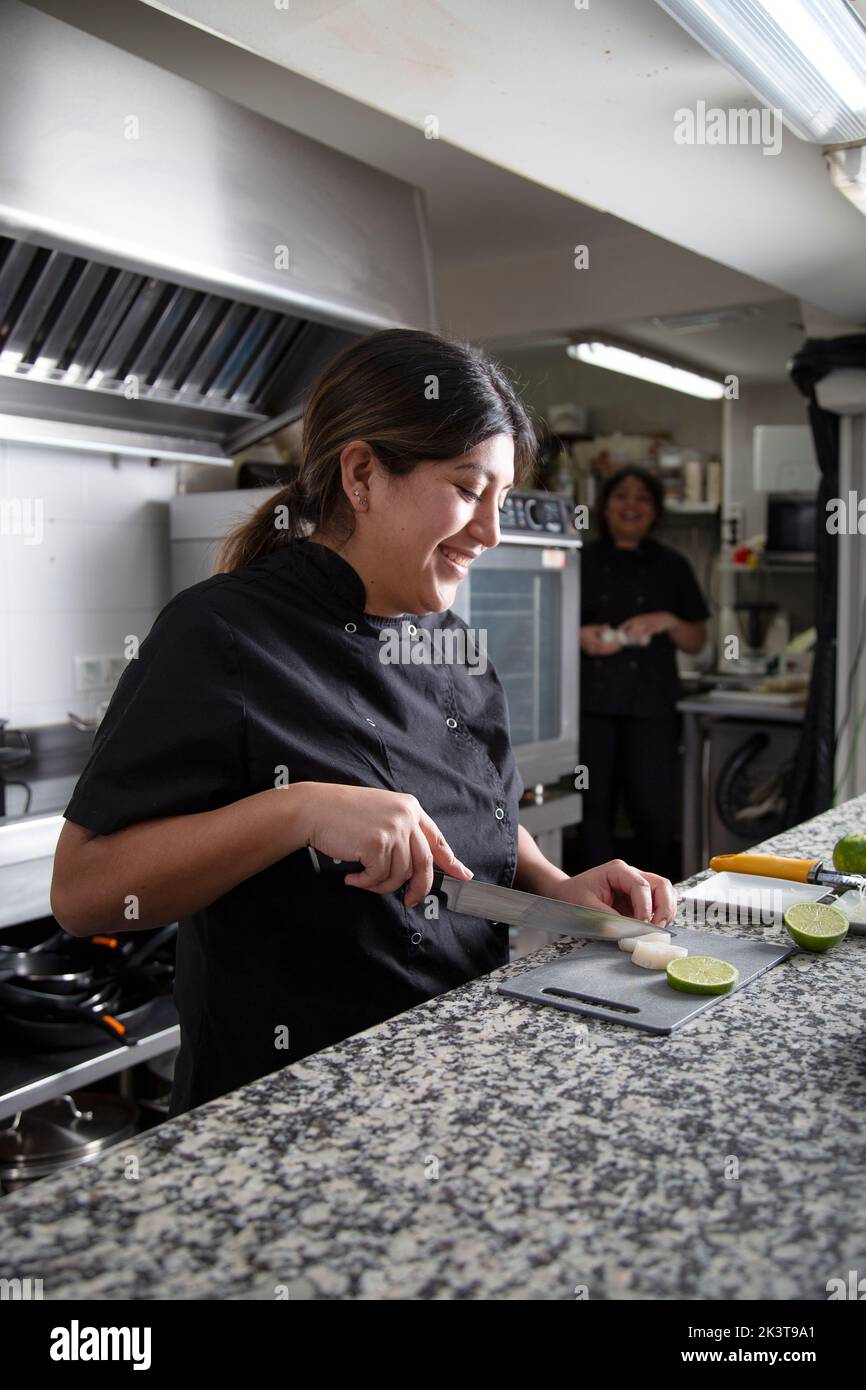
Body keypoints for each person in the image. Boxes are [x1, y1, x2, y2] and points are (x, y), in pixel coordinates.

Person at [51, 331, 676, 1116]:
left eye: (501, 499)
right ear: (362, 475)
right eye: (466, 488)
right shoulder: (222, 634)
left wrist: (558, 889)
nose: (489, 531)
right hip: (284, 1104)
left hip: (447, 1073)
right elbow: (83, 892)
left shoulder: (452, 642)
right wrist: (297, 809)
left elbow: (476, 809)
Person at [577, 465, 710, 879]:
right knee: (591, 808)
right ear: (605, 506)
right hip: (592, 707)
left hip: (651, 709)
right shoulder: (581, 560)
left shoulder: (673, 565)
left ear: (655, 511)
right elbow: (550, 627)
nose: (631, 506)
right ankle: (591, 910)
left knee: (652, 810)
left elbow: (696, 640)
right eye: (621, 496)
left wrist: (668, 621)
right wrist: (579, 635)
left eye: (642, 498)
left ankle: (658, 903)